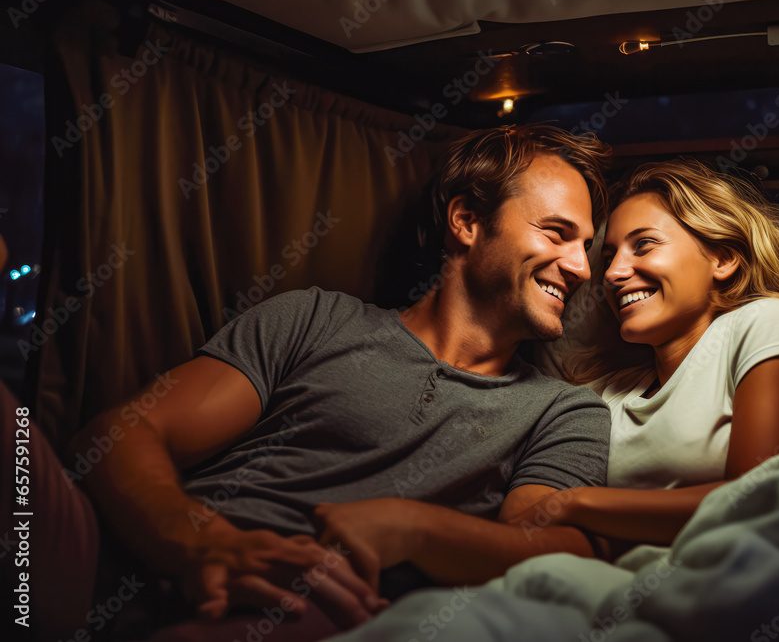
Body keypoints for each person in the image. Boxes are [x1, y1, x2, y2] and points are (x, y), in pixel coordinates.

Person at [2, 124, 614, 641]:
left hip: (292, 604)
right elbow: (121, 433)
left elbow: (559, 549)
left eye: (586, 246)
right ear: (467, 222)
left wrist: (414, 526)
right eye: (557, 233)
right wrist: (203, 544)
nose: (582, 267)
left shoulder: (561, 411)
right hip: (106, 555)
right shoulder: (316, 318)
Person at [511, 157, 779, 547]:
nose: (611, 274)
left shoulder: (763, 323)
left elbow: (761, 502)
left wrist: (575, 504)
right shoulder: (603, 394)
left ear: (723, 259)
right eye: (608, 258)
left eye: (643, 245)